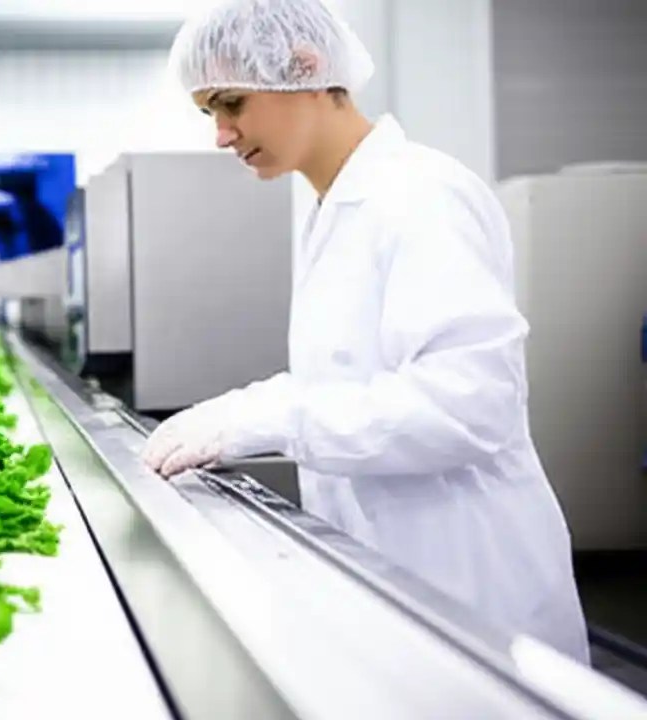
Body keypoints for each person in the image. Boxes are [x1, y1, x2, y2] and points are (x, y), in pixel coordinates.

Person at [141, 0, 590, 663]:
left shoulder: (421, 195)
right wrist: (241, 410)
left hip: (475, 590)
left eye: (232, 103)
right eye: (209, 112)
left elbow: (469, 404)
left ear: (305, 68)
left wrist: (272, 420)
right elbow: (349, 380)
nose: (221, 135)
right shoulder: (333, 207)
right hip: (394, 582)